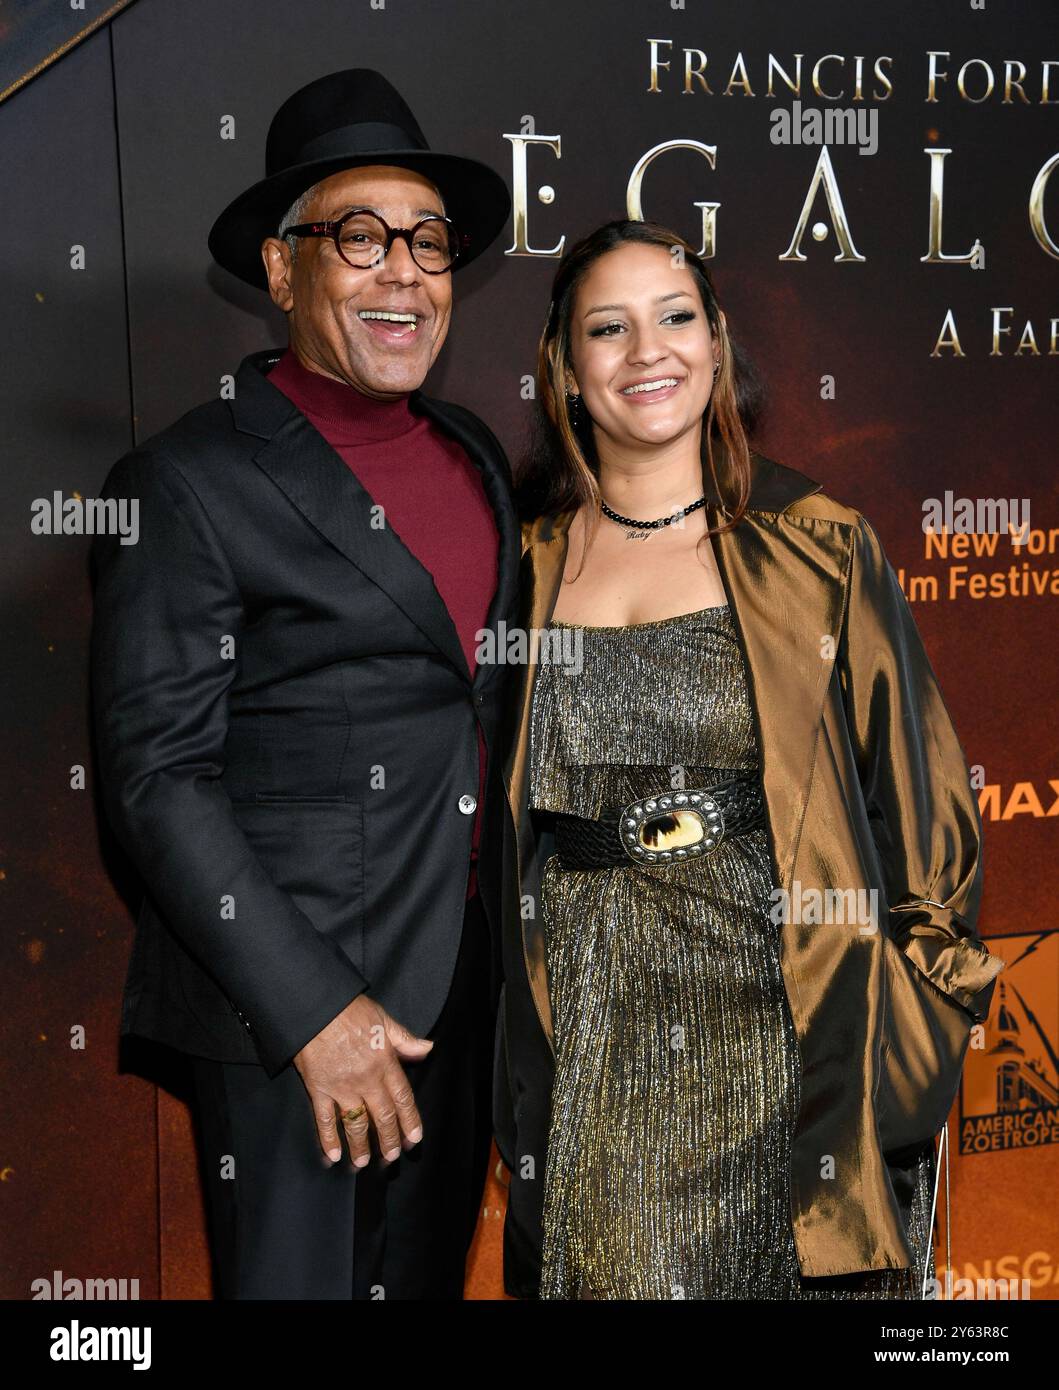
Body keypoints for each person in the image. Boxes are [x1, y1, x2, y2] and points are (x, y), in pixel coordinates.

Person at [492, 219, 1004, 1300]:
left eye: (676, 318)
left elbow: (928, 818)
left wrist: (906, 1041)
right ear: (566, 371)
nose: (649, 352)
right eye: (609, 329)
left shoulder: (817, 544)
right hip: (603, 1038)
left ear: (717, 344)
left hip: (790, 1028)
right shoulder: (523, 565)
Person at [90, 68, 519, 1299]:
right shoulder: (185, 478)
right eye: (360, 236)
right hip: (295, 1023)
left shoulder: (473, 451)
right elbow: (158, 780)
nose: (404, 272)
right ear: (283, 273)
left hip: (460, 992)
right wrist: (314, 1013)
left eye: (428, 241)